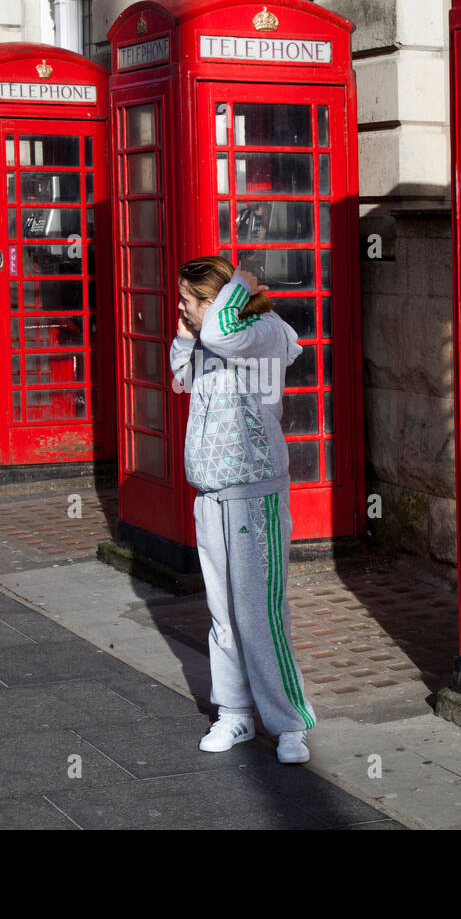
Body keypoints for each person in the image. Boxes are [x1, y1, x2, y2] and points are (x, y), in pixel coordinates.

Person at [170, 254, 316, 764]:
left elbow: (224, 335)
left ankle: (290, 724)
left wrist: (240, 283)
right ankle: (234, 711)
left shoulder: (262, 331)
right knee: (224, 615)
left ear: (216, 302)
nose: (180, 307)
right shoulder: (207, 333)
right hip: (211, 494)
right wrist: (187, 330)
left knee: (260, 615)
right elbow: (179, 377)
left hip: (256, 493)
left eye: (188, 299)